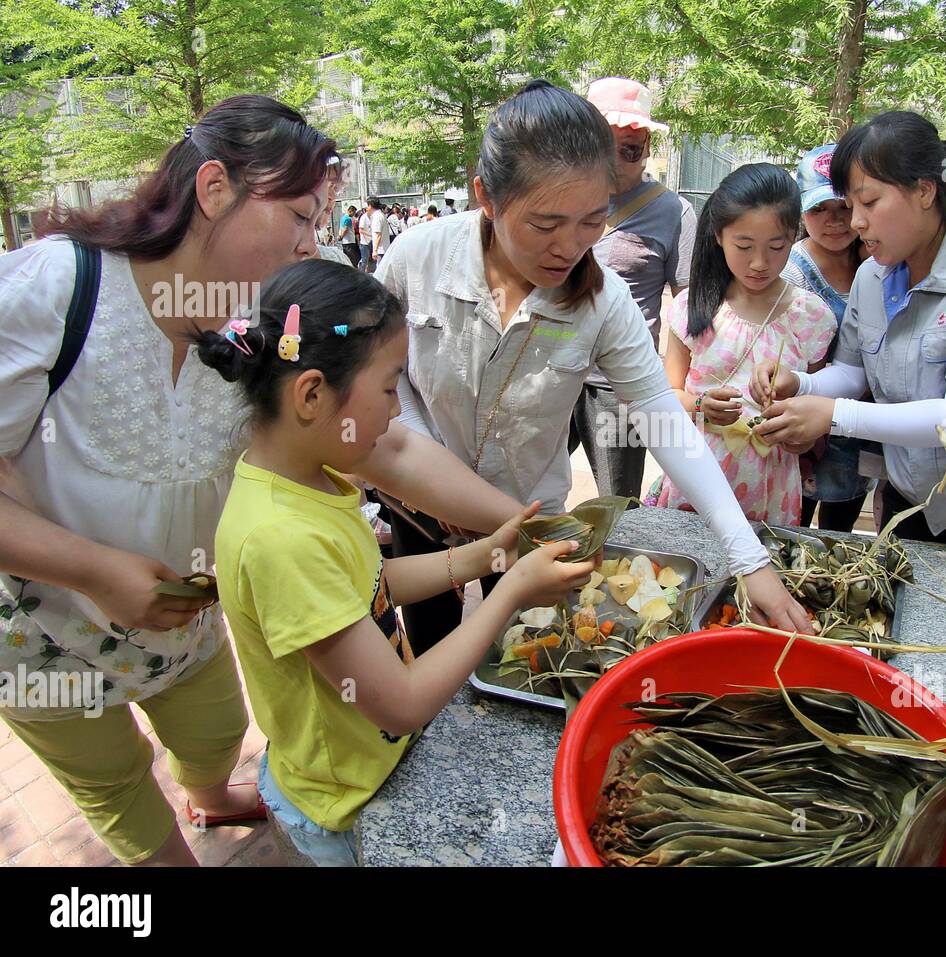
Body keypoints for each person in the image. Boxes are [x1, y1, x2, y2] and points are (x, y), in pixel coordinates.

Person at [0, 95, 334, 866]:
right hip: (39, 636)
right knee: (113, 781)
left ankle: (211, 796)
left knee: (217, 730)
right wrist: (91, 568)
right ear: (214, 188)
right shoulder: (57, 288)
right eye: (298, 217)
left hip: (184, 621)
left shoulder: (256, 322)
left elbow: (374, 447)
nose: (308, 246)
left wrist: (492, 526)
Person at [378, 79, 813, 646]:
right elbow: (384, 377)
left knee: (526, 653)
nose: (571, 246)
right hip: (420, 512)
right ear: (486, 196)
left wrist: (749, 559)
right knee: (435, 650)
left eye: (592, 220)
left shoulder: (603, 300)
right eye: (545, 224)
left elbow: (660, 413)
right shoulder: (417, 257)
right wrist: (433, 480)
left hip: (533, 523)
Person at [195, 259, 593, 866]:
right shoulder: (280, 539)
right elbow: (400, 703)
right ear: (311, 395)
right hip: (343, 808)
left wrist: (483, 556)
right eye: (388, 389)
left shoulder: (317, 476)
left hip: (376, 763)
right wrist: (509, 591)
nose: (394, 412)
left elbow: (368, 586)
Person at [752, 111, 946, 574]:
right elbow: (854, 371)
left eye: (869, 202)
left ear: (924, 190)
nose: (855, 222)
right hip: (912, 501)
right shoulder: (872, 276)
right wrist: (800, 385)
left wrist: (833, 417)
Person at [655, 163, 835, 525]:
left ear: (794, 238)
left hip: (772, 487)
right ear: (719, 235)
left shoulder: (811, 317)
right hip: (697, 475)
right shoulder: (693, 307)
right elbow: (665, 395)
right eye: (744, 245)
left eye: (776, 247)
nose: (759, 263)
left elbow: (815, 405)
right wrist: (701, 403)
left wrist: (801, 439)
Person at [568, 77, 698, 500]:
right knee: (526, 488)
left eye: (636, 140)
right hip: (554, 367)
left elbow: (687, 310)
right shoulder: (558, 198)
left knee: (618, 502)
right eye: (612, 136)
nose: (630, 144)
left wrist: (685, 393)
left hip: (619, 384)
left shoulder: (674, 211)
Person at [779, 144, 873, 532]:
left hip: (861, 427)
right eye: (819, 209)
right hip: (802, 429)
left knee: (841, 534)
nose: (833, 221)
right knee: (790, 526)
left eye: (843, 208)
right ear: (801, 212)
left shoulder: (877, 264)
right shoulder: (791, 271)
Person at [357, 198, 377, 273]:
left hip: (371, 241)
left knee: (372, 260)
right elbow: (360, 230)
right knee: (364, 260)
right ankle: (361, 274)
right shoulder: (363, 218)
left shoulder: (372, 217)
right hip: (365, 243)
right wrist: (370, 235)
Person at [370, 201, 390, 271]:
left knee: (380, 272)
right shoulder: (381, 215)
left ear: (370, 206)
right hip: (383, 249)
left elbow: (378, 235)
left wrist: (375, 250)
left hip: (381, 250)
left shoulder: (377, 217)